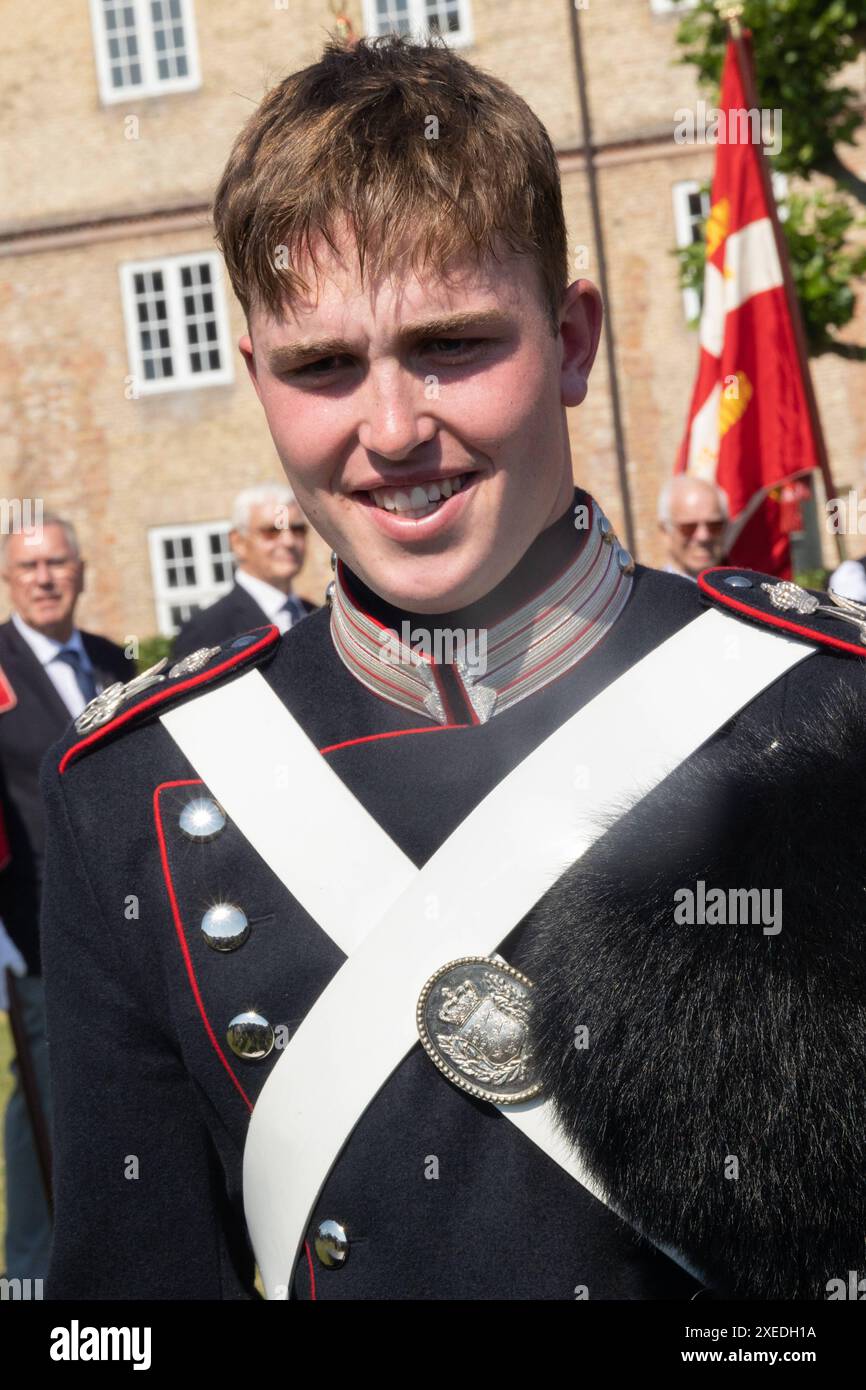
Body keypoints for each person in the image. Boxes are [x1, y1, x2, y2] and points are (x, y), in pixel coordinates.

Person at [39, 35, 864, 1301]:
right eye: (322, 366)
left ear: (573, 338)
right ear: (255, 378)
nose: (390, 430)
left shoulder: (822, 704)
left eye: (451, 344)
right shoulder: (131, 793)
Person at [0, 515, 134, 1280]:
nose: (45, 577)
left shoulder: (116, 663)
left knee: (115, 1087)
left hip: (125, 922)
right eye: (29, 566)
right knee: (48, 1100)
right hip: (34, 926)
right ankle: (32, 1273)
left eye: (58, 563)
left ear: (81, 571)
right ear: (10, 581)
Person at [172, 483, 317, 659]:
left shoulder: (318, 615)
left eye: (298, 530)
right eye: (272, 531)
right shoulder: (206, 630)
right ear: (238, 543)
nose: (289, 541)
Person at [658, 475, 729, 579]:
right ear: (665, 532)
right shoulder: (647, 593)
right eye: (689, 528)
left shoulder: (743, 592)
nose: (703, 536)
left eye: (714, 526)